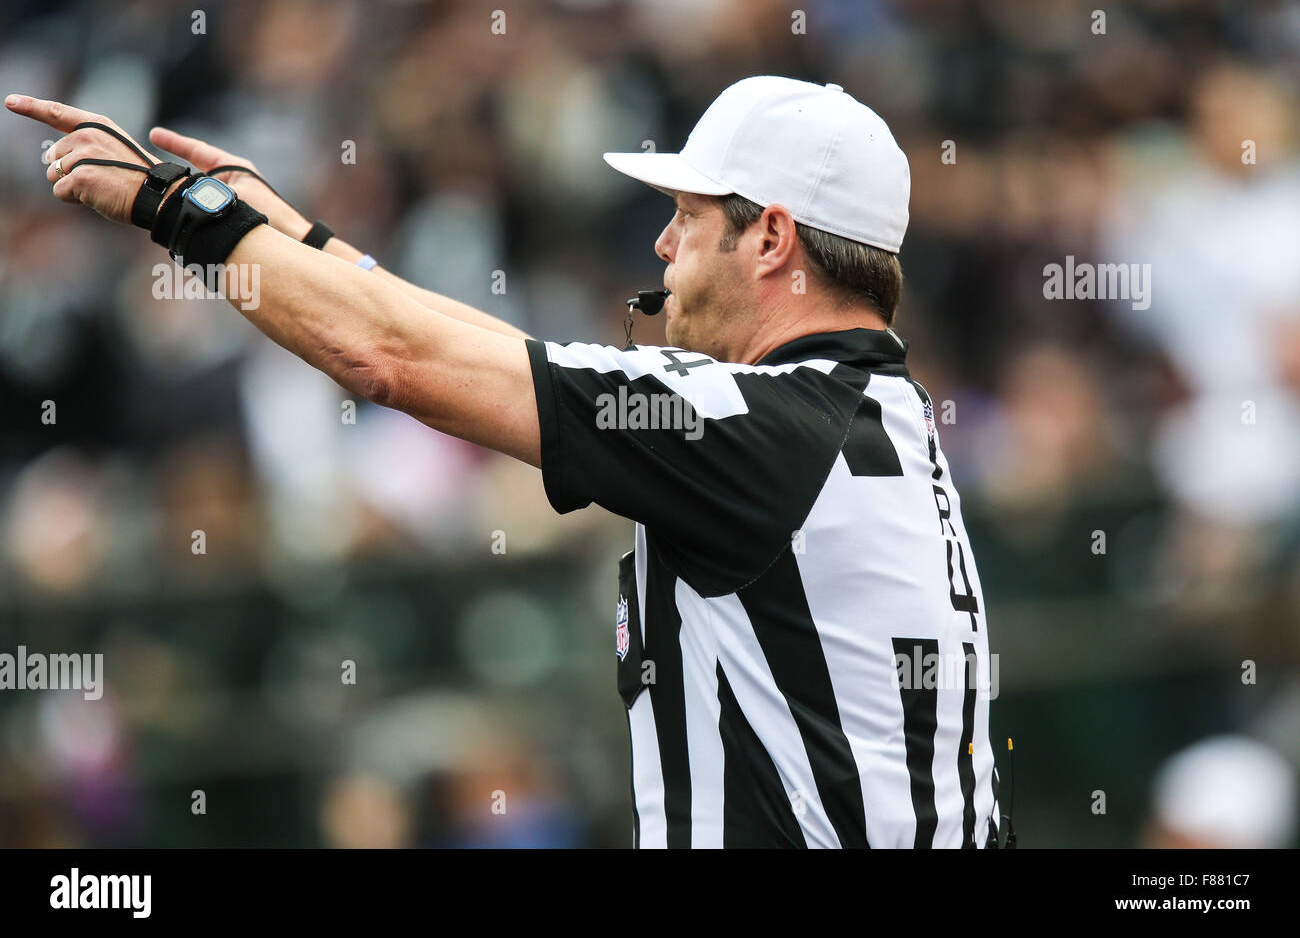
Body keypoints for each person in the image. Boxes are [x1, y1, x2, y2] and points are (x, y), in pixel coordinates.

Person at [6, 74, 1002, 848]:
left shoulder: (759, 426)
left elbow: (392, 360)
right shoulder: (865, 415)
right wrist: (302, 240)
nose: (661, 245)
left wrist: (183, 215)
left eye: (689, 219)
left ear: (771, 238)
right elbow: (491, 355)